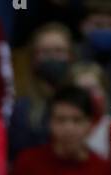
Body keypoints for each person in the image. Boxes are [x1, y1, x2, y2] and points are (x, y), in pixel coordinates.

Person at [8, 23, 74, 157]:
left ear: (71, 56)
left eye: (59, 51)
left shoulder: (84, 98)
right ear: (34, 59)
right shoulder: (22, 109)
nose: (52, 57)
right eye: (45, 52)